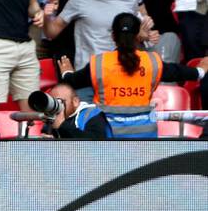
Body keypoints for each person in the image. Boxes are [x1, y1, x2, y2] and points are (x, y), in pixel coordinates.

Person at [58, 12, 207, 138]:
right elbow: (178, 72)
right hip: (145, 136)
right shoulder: (152, 61)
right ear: (138, 36)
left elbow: (73, 81)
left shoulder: (99, 63)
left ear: (113, 36)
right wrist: (200, 71)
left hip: (109, 136)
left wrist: (66, 72)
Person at [41, 81, 112, 139]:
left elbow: (94, 144)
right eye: (54, 102)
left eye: (60, 101)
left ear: (75, 101)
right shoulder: (52, 118)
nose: (57, 106)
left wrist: (62, 125)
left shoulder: (93, 114)